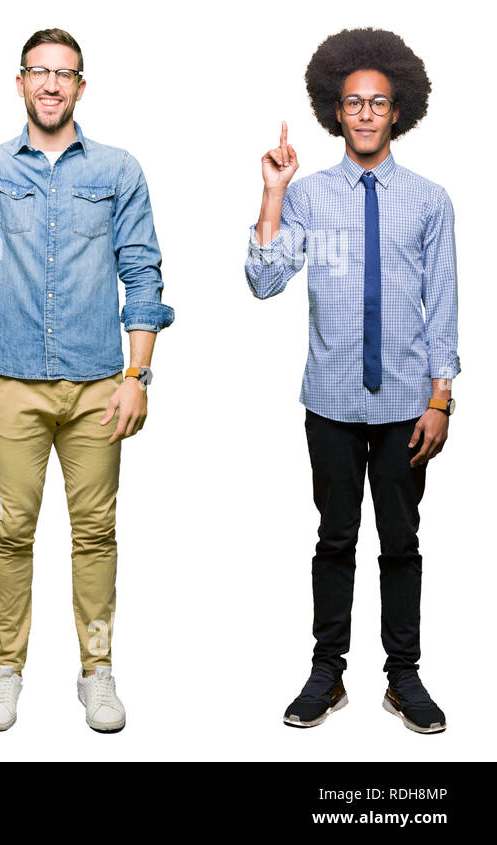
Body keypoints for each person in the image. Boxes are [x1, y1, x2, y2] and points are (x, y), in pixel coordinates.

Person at [0, 28, 173, 733]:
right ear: (21, 83)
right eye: (39, 71)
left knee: (95, 532)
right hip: (15, 386)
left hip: (98, 388)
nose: (52, 84)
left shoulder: (118, 169)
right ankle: (6, 670)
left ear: (81, 87)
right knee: (11, 530)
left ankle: (97, 671)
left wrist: (138, 373)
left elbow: (143, 273)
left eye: (65, 73)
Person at [245, 28, 456, 734]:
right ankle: (327, 672)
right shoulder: (306, 197)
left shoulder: (430, 201)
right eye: (352, 103)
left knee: (401, 542)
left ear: (399, 112)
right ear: (334, 112)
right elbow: (264, 281)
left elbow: (444, 302)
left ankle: (404, 677)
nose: (365, 114)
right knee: (335, 538)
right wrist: (272, 193)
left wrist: (440, 398)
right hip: (331, 402)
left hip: (405, 403)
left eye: (378, 103)